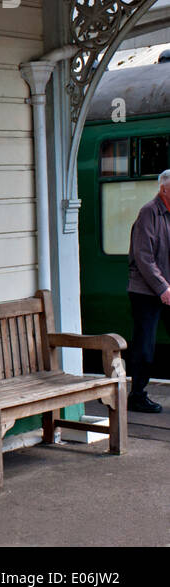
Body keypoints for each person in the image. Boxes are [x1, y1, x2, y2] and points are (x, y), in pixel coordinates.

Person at [126, 169, 170, 413]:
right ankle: (137, 396)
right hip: (145, 291)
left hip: (166, 288)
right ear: (164, 189)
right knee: (145, 346)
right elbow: (144, 257)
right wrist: (163, 288)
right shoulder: (148, 213)